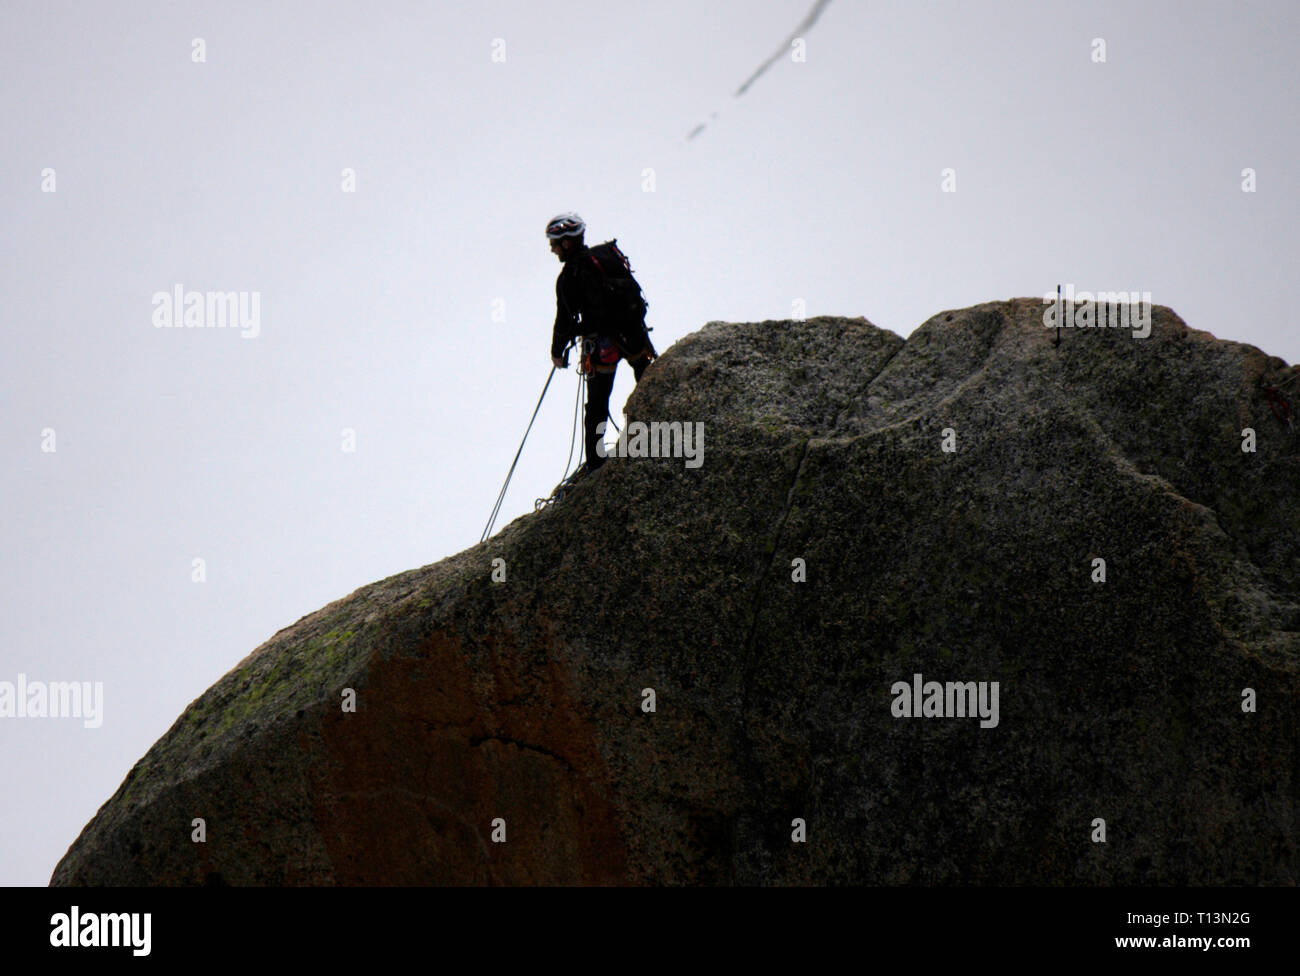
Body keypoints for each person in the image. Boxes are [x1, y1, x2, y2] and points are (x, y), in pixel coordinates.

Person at [546, 212, 655, 480]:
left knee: (596, 405)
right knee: (648, 380)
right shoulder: (606, 256)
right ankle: (658, 431)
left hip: (602, 345)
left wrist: (557, 352)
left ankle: (595, 463)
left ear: (567, 243)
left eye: (554, 243)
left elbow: (564, 320)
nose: (552, 249)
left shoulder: (569, 277)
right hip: (634, 334)